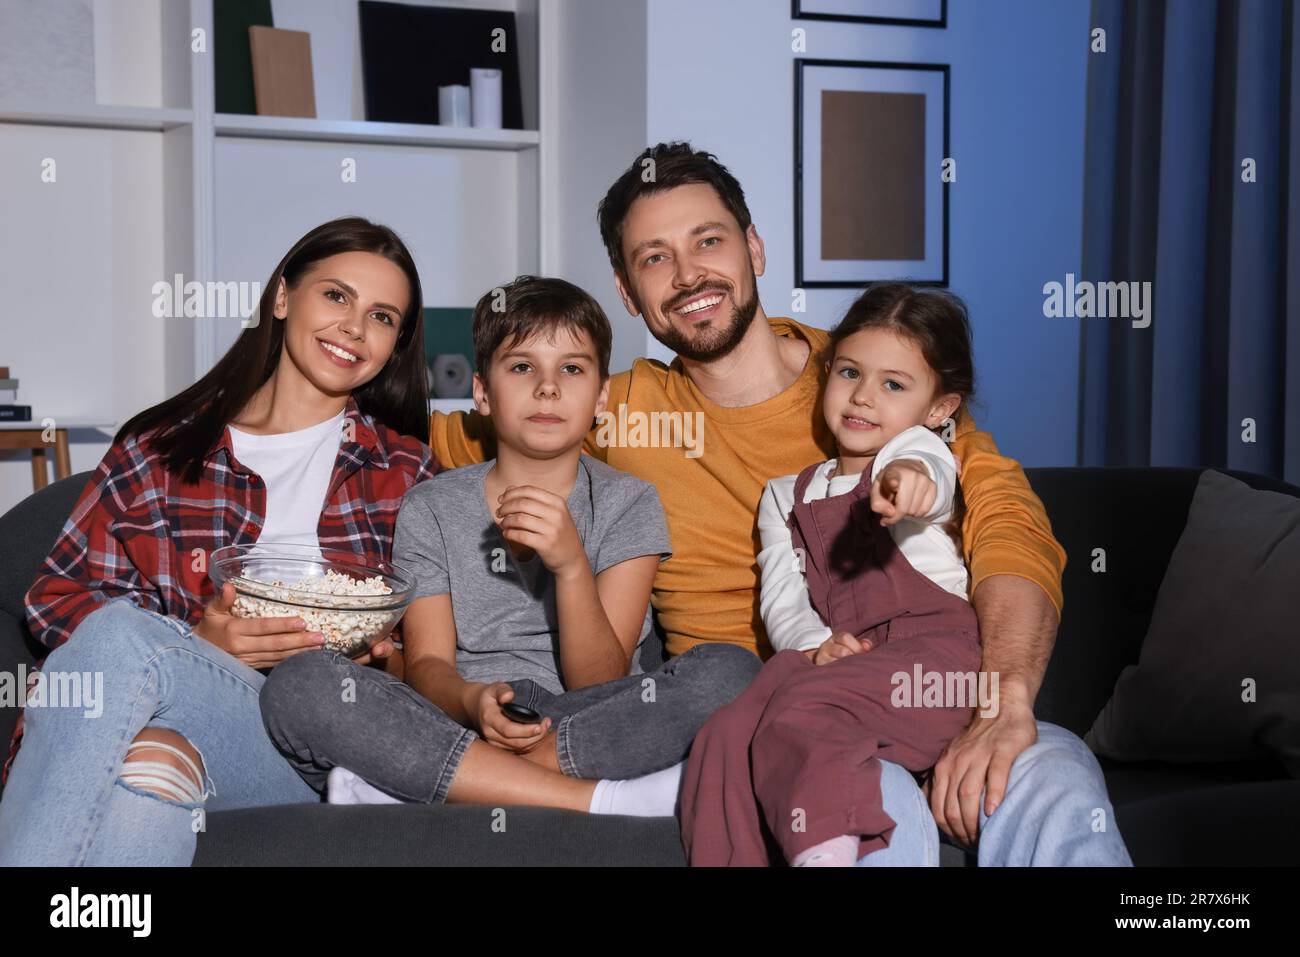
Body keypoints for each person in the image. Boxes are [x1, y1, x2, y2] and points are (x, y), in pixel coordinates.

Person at [428, 142, 1132, 866]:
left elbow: (1012, 533)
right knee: (869, 815)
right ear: (627, 292)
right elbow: (427, 432)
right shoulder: (612, 409)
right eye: (655, 258)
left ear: (754, 247)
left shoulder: (874, 374)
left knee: (1058, 780)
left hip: (934, 692)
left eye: (708, 240)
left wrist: (1003, 706)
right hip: (783, 726)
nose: (688, 274)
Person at [0, 217, 437, 866]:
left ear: (395, 343)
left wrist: (381, 658)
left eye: (381, 317)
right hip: (169, 712)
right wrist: (195, 641)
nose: (353, 327)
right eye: (336, 296)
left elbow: (438, 654)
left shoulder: (406, 471)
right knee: (149, 766)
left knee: (124, 644)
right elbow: (56, 597)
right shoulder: (160, 451)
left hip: (318, 746)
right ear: (282, 297)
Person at [259, 276, 759, 815]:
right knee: (302, 683)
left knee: (732, 671)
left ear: (601, 397)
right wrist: (471, 701)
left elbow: (600, 677)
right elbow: (428, 666)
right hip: (462, 718)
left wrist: (571, 567)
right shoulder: (431, 505)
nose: (547, 388)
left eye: (572, 369)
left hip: (588, 717)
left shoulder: (629, 502)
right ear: (482, 393)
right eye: (522, 367)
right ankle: (594, 797)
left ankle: (458, 779)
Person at [680, 282, 985, 866]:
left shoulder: (916, 456)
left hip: (938, 668)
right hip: (846, 666)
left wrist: (909, 485)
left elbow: (927, 470)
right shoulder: (783, 495)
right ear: (827, 375)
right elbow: (784, 596)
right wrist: (816, 645)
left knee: (806, 707)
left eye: (894, 385)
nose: (863, 397)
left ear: (938, 409)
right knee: (727, 732)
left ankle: (824, 855)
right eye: (849, 373)